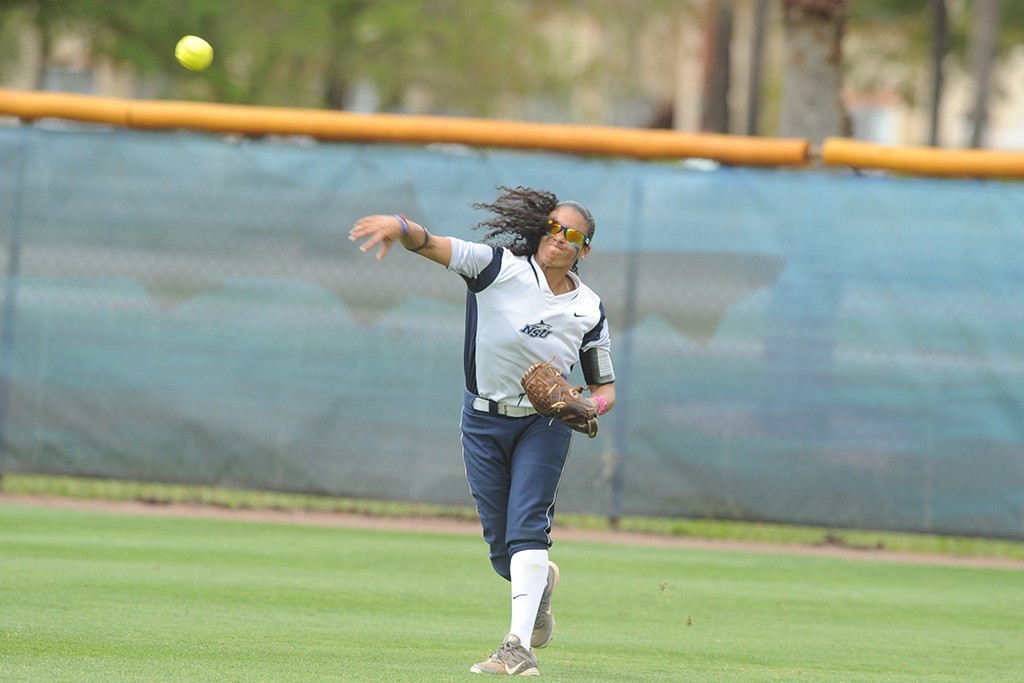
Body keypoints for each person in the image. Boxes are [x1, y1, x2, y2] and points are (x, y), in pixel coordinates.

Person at [349, 186, 616, 677]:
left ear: (585, 248)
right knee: (501, 545)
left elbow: (605, 388)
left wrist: (586, 406)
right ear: (542, 231)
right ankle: (539, 596)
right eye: (553, 227)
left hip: (544, 425)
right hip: (484, 420)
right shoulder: (497, 268)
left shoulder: (589, 308)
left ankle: (518, 648)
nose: (559, 237)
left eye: (572, 233)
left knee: (527, 526)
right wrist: (401, 226)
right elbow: (432, 244)